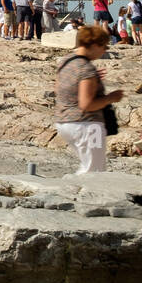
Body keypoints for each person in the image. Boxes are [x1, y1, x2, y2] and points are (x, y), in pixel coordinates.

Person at [53, 24, 122, 174]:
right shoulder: (86, 69)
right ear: (93, 45)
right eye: (103, 46)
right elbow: (87, 104)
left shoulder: (66, 61)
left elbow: (59, 88)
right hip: (87, 125)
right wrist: (111, 97)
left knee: (87, 167)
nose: (104, 50)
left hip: (64, 121)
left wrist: (92, 79)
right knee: (94, 171)